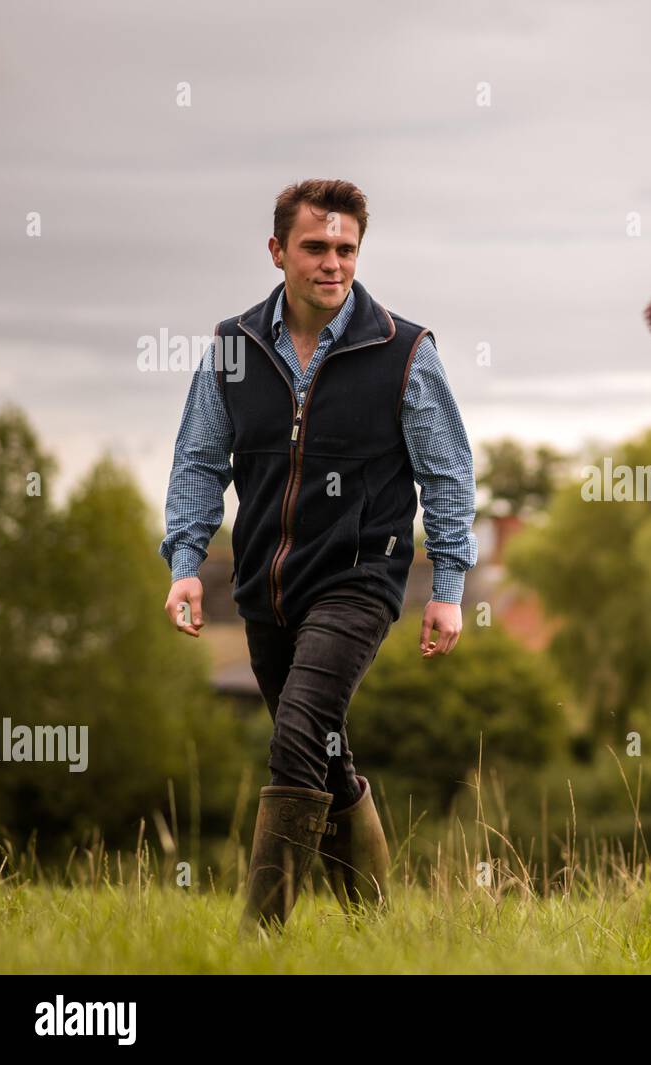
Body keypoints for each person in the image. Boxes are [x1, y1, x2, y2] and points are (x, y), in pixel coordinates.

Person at [158, 179, 478, 933]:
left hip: (360, 580)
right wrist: (185, 564)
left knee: (297, 735)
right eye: (315, 247)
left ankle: (260, 935)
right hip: (264, 585)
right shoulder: (234, 348)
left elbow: (447, 473)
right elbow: (199, 461)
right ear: (277, 252)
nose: (333, 263)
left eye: (346, 248)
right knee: (325, 756)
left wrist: (448, 585)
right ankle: (375, 926)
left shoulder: (404, 351)